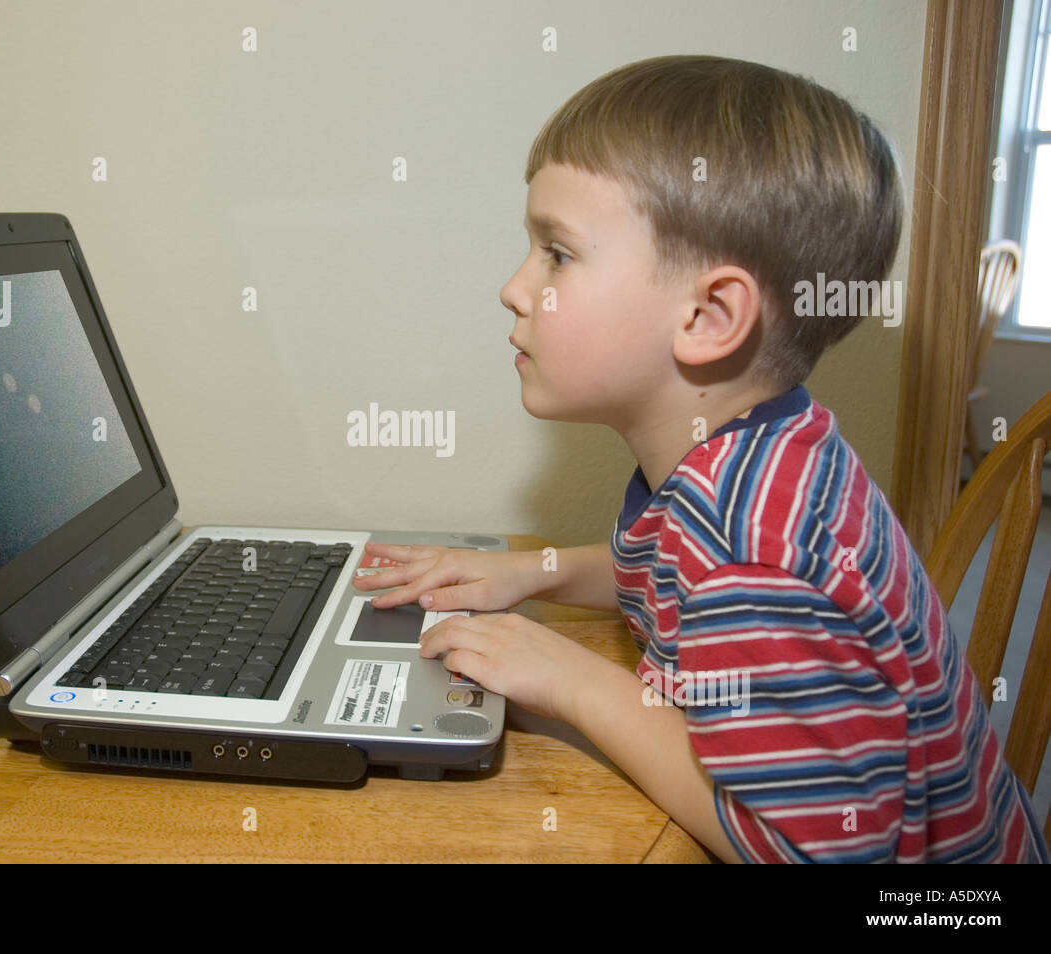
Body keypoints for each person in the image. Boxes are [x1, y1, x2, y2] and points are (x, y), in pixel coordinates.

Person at [352, 54, 1049, 864]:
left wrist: (577, 679)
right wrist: (533, 571)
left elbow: (803, 851)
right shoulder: (748, 456)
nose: (514, 287)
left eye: (558, 254)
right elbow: (671, 575)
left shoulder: (759, 550)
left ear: (711, 316)